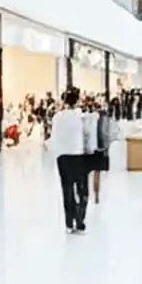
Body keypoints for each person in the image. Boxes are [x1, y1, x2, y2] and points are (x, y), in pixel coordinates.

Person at [50, 89, 91, 234]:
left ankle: (69, 222)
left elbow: (53, 137)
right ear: (78, 101)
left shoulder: (57, 117)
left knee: (67, 189)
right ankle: (80, 221)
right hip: (78, 154)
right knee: (82, 189)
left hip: (62, 156)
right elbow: (87, 135)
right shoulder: (81, 117)